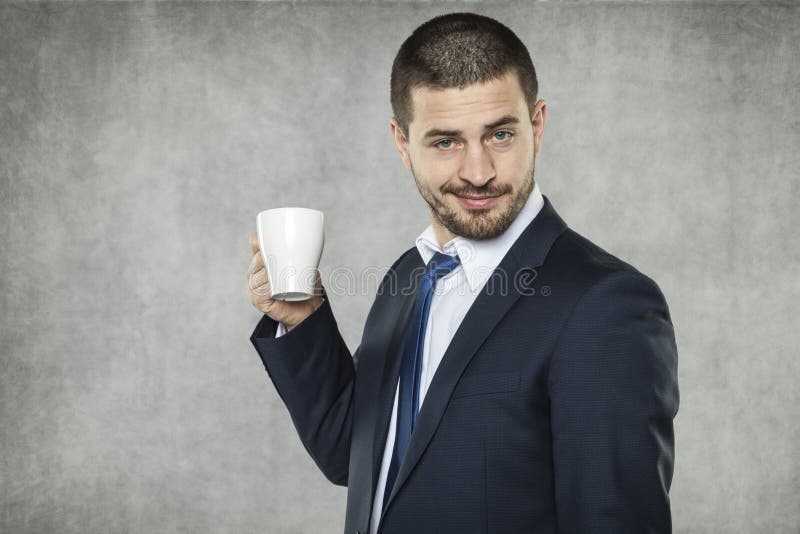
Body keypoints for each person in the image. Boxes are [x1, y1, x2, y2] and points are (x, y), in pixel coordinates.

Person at [245, 12, 679, 534]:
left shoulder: (607, 304)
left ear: (536, 126)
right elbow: (354, 456)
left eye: (499, 134)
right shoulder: (410, 278)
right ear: (402, 143)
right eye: (445, 141)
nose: (478, 172)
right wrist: (302, 318)